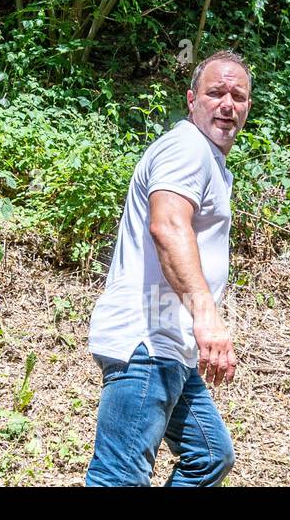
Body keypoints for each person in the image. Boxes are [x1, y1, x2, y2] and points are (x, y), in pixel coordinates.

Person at [84, 50, 251, 487]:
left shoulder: (209, 159)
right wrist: (207, 317)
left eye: (238, 95)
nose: (227, 104)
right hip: (147, 341)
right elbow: (168, 225)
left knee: (210, 455)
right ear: (192, 99)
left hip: (170, 344)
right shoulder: (187, 147)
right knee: (119, 478)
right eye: (216, 93)